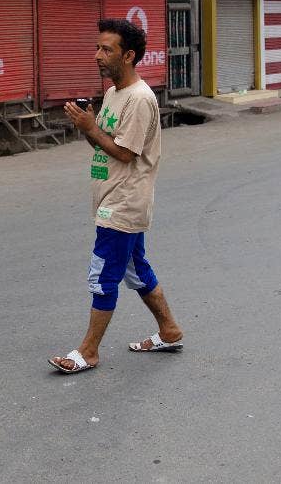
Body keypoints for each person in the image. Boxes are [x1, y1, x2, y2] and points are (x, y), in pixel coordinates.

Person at [48, 19, 184, 374]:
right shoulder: (112, 94)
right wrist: (88, 127)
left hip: (123, 202)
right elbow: (105, 144)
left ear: (128, 55)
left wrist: (91, 128)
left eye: (106, 49)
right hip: (111, 197)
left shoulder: (139, 99)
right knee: (136, 270)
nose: (97, 56)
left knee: (102, 276)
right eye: (97, 47)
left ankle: (89, 351)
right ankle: (169, 330)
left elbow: (125, 153)